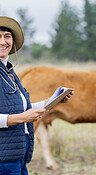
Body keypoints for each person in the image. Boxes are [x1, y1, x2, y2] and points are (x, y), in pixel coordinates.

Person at [0, 16, 73, 175]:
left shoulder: (9, 73)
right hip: (3, 159)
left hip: (18, 153)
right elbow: (22, 114)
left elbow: (21, 108)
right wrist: (23, 118)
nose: (3, 41)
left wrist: (52, 101)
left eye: (7, 36)